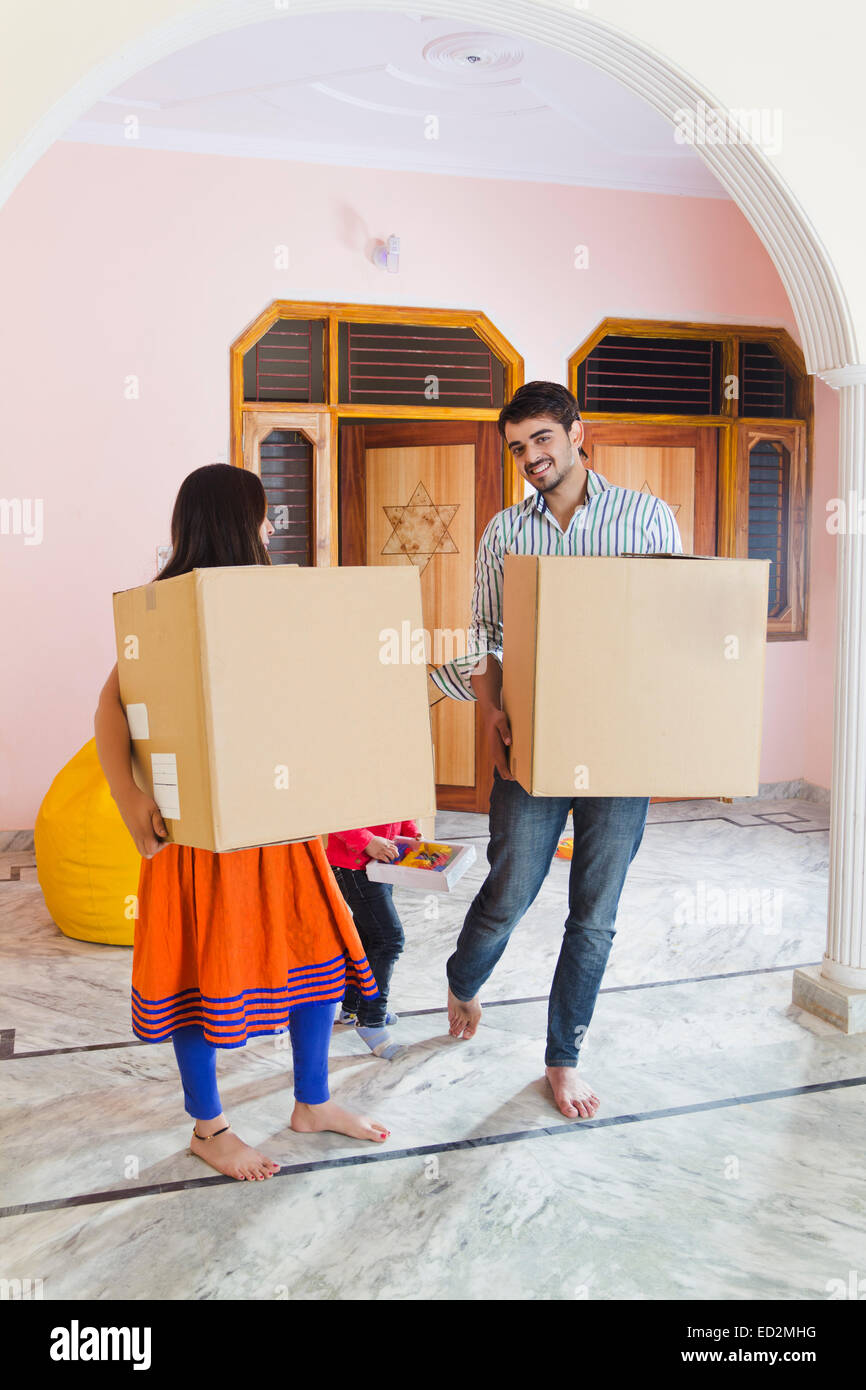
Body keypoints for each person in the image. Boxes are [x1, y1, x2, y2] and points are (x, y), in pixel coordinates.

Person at [94, 464, 391, 1183]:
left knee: (316, 965)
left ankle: (311, 1103)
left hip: (278, 830)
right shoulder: (164, 609)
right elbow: (111, 708)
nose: (270, 529)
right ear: (242, 523)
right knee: (197, 978)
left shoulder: (277, 604)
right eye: (263, 516)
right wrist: (133, 804)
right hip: (197, 841)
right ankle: (210, 1127)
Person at [429, 381, 683, 1121]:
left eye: (542, 439)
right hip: (532, 742)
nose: (531, 458)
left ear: (578, 433)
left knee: (594, 913)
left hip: (619, 747)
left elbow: (667, 626)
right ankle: (463, 977)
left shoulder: (645, 516)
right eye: (517, 448)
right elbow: (484, 638)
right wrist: (488, 711)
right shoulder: (505, 531)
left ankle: (563, 1057)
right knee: (510, 891)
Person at [326, 820, 423, 1060]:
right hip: (354, 863)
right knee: (389, 939)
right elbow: (331, 808)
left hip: (382, 859)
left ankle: (352, 1007)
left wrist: (410, 834)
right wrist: (366, 841)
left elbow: (399, 799)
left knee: (369, 937)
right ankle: (371, 1019)